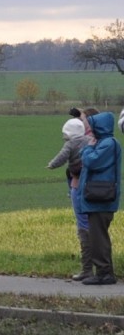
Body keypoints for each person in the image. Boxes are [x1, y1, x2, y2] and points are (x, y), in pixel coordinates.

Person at [49, 115, 95, 280]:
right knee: (92, 226)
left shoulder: (70, 144)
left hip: (78, 186)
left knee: (83, 226)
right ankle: (98, 267)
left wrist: (51, 165)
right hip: (93, 186)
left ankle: (87, 269)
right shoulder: (90, 139)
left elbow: (61, 157)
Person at [79, 112, 121, 286]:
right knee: (98, 237)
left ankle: (104, 273)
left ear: (99, 126)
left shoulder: (108, 144)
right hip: (98, 197)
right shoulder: (106, 143)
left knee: (98, 238)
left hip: (101, 198)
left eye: (91, 125)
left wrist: (88, 148)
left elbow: (92, 162)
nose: (89, 129)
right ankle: (103, 271)